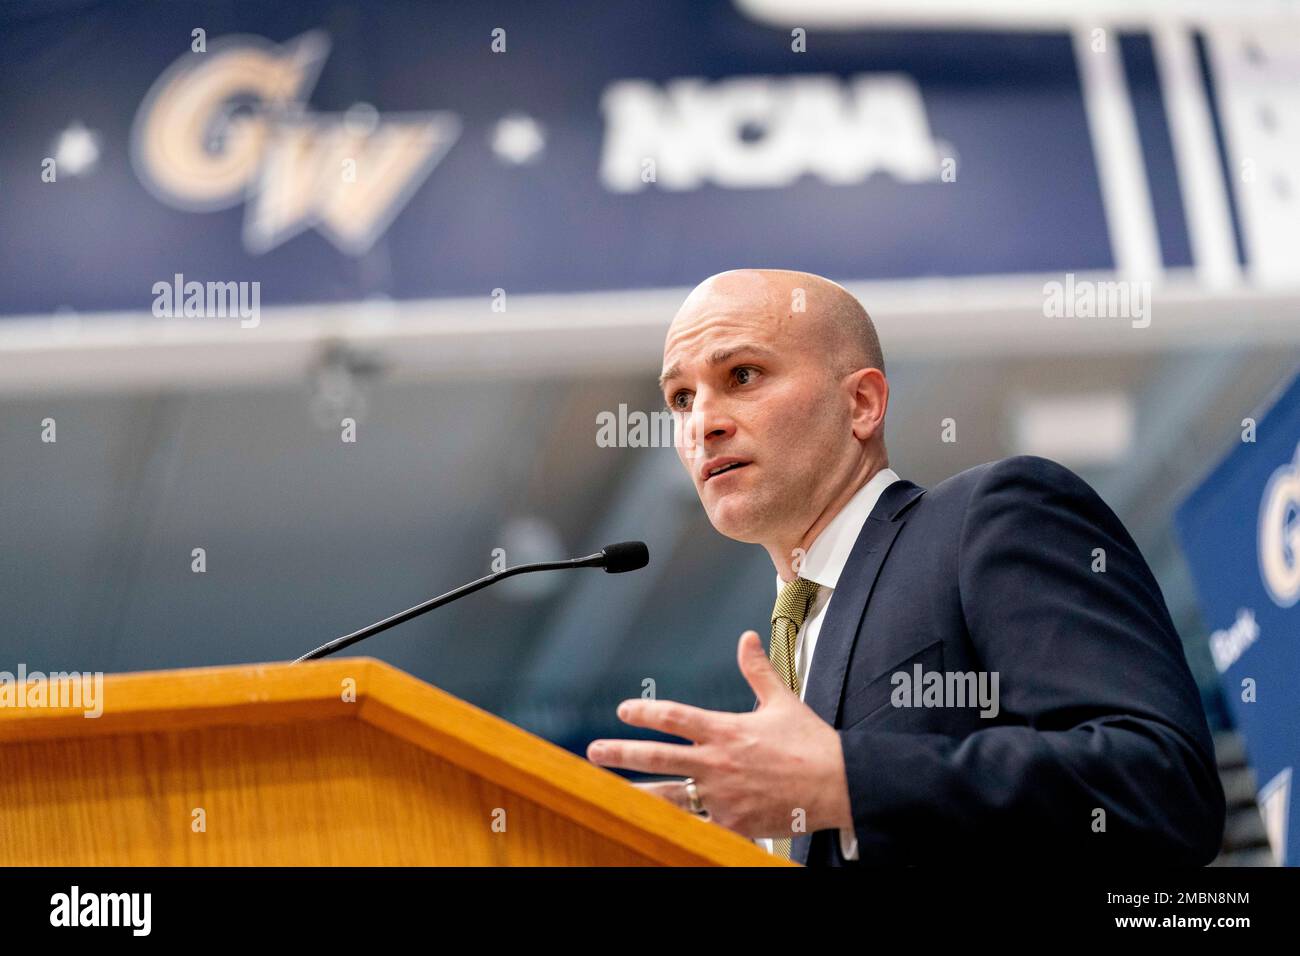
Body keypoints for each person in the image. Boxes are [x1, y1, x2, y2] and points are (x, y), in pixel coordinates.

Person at [585, 268, 1225, 865]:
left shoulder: (991, 517)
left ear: (862, 403)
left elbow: (1160, 783)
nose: (702, 424)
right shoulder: (788, 643)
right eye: (680, 398)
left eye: (743, 376)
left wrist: (845, 779)